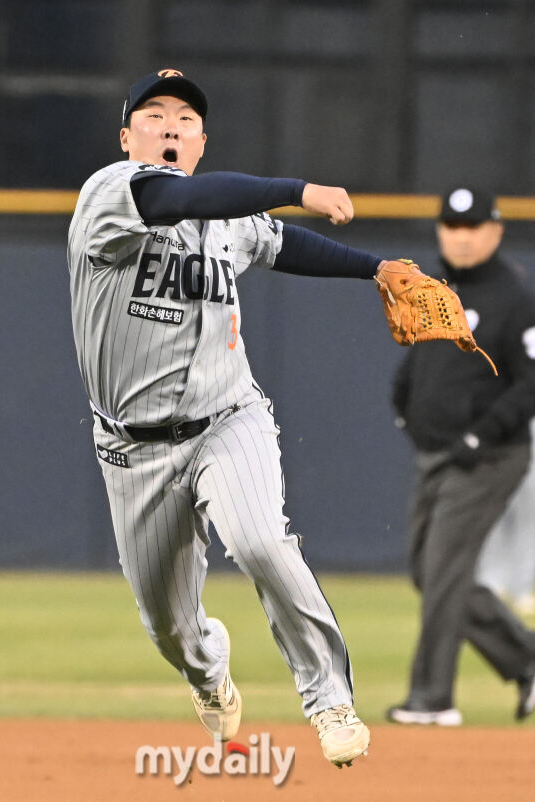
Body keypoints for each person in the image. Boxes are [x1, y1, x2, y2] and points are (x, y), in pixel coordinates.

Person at [67, 67, 414, 767]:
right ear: (127, 135)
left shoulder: (227, 219)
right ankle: (208, 671)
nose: (170, 125)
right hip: (134, 452)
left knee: (259, 541)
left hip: (229, 419)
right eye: (155, 114)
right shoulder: (109, 194)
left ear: (201, 141)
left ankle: (328, 698)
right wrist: (296, 190)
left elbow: (286, 245)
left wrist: (375, 270)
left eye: (186, 119)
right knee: (169, 629)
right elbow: (189, 198)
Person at [387, 187, 535, 725]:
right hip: (436, 452)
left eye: (473, 227)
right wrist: (404, 402)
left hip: (491, 456)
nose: (462, 236)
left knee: (444, 568)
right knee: (428, 572)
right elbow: (419, 362)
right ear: (440, 232)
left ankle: (432, 698)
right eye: (452, 226)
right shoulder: (432, 291)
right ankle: (527, 659)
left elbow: (530, 382)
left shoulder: (515, 295)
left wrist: (482, 433)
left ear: (496, 232)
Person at [476, 417, 535, 616]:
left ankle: (522, 588)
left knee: (531, 516)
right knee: (491, 513)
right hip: (493, 425)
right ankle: (490, 584)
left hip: (529, 426)